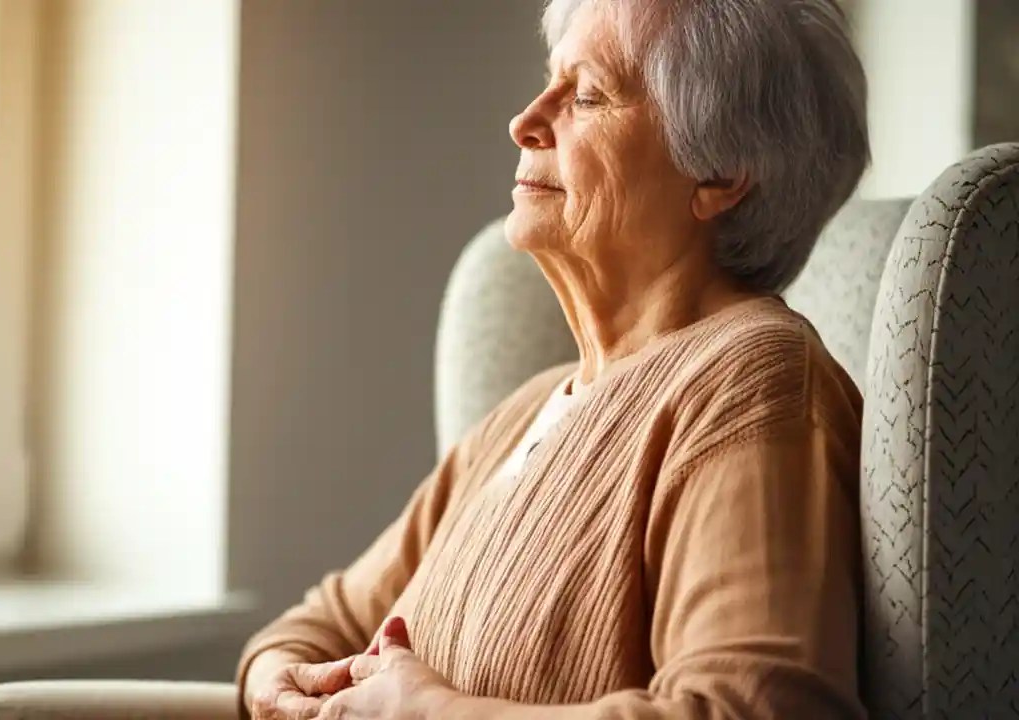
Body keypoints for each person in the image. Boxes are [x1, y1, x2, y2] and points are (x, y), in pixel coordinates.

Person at [239, 0, 870, 717]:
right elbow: (322, 624)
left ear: (721, 171)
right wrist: (277, 679)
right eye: (548, 80)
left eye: (588, 93)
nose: (525, 121)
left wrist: (432, 712)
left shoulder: (752, 380)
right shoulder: (528, 411)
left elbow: (753, 708)